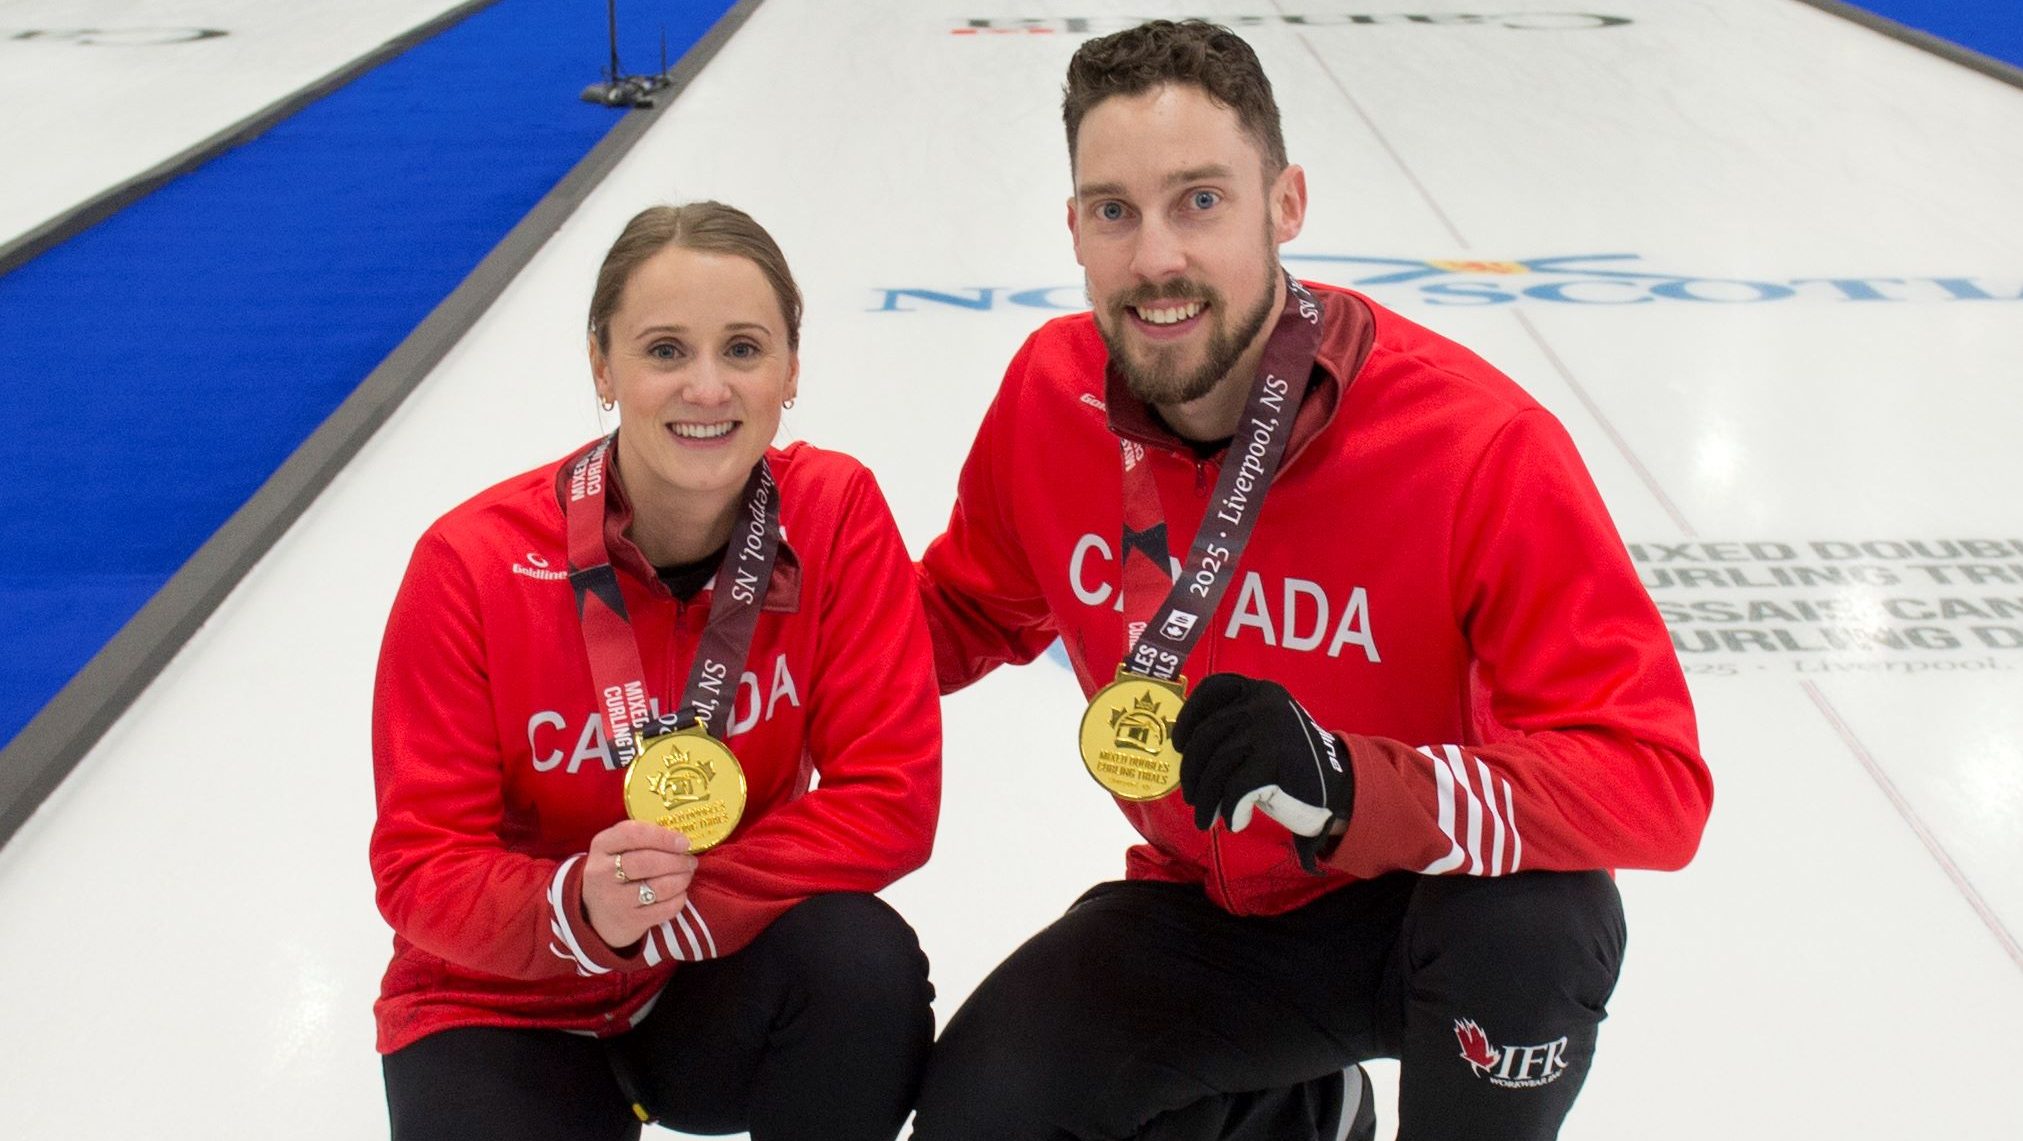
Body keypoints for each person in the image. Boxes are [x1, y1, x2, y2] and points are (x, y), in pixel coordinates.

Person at [911, 20, 1712, 1141]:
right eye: (1115, 210)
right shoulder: (1051, 395)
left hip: (1425, 900)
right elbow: (962, 610)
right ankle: (1299, 1103)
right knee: (978, 1116)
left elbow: (1654, 786)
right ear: (1076, 229)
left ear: (1284, 204)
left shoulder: (1475, 446)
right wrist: (743, 652)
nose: (1156, 260)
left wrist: (1351, 784)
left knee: (1539, 918)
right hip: (1209, 908)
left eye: (1200, 201)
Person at [370, 202, 940, 1141]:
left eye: (745, 348)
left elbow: (892, 797)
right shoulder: (471, 564)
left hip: (708, 976)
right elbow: (419, 866)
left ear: (792, 369)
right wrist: (576, 910)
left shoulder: (833, 513)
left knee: (859, 961)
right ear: (603, 365)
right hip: (500, 996)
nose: (707, 387)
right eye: (666, 349)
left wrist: (661, 912)